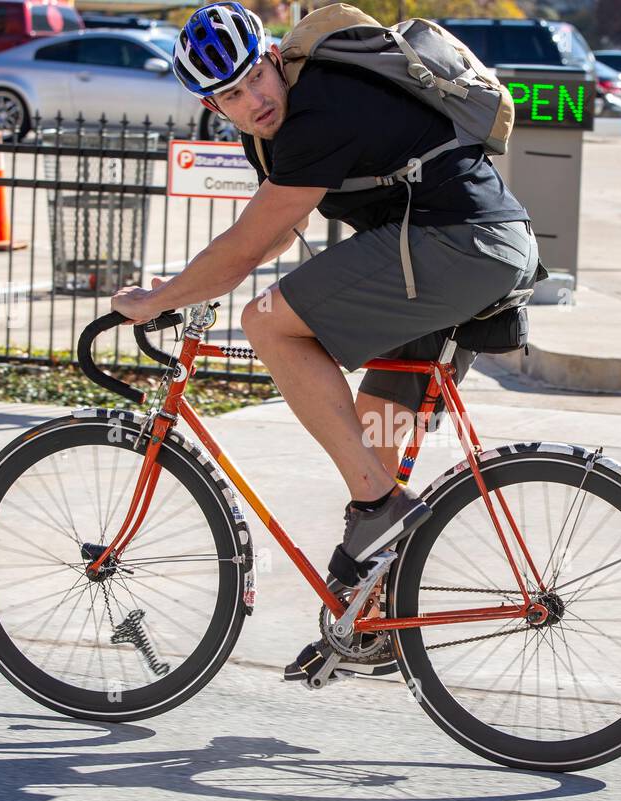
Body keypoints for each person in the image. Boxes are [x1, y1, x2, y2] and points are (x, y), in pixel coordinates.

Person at [110, 2, 539, 682]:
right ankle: (374, 618)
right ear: (212, 106)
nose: (252, 101)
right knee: (372, 430)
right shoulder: (286, 130)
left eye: (254, 79)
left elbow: (250, 246)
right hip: (477, 245)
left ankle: (378, 508)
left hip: (455, 246)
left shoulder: (319, 106)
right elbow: (276, 231)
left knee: (266, 321)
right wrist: (189, 282)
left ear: (275, 59)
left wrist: (155, 302)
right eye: (229, 96)